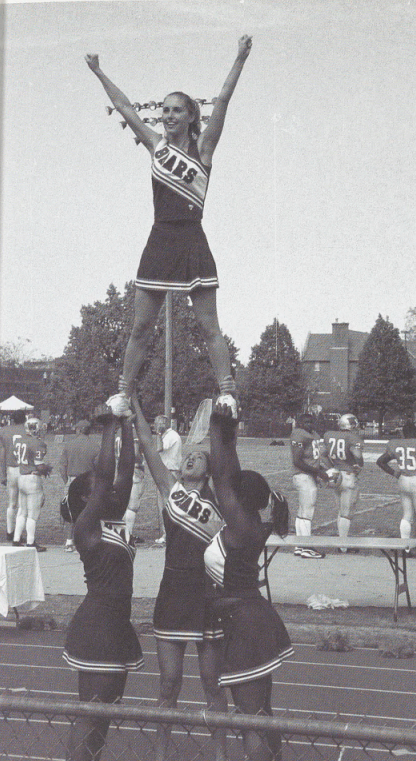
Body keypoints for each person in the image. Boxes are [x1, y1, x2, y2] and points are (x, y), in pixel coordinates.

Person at [84, 35, 252, 405]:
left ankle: (227, 392)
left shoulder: (204, 148)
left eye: (177, 110)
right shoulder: (155, 146)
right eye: (166, 110)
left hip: (192, 239)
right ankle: (124, 393)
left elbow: (222, 100)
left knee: (210, 327)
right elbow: (125, 106)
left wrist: (240, 57)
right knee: (140, 327)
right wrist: (99, 72)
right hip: (159, 239)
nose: (169, 116)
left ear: (191, 115)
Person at [129, 390, 227, 761]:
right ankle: (161, 753)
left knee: (211, 684)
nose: (189, 459)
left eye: (198, 457)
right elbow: (146, 444)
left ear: (210, 468)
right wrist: (137, 403)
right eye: (187, 455)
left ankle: (219, 753)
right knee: (168, 684)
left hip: (207, 596)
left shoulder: (220, 502)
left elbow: (229, 460)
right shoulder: (170, 492)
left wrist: (222, 424)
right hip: (171, 593)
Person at [205, 399, 293, 761]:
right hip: (253, 619)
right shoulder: (252, 523)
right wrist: (230, 433)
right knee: (261, 713)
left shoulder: (241, 526)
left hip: (243, 622)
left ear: (240, 499)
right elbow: (230, 473)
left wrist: (215, 426)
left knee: (251, 717)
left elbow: (221, 477)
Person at [62, 407, 143, 761]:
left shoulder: (114, 518)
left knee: (102, 725)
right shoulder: (87, 527)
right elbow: (108, 471)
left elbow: (124, 471)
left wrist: (126, 423)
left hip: (115, 628)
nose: (110, 490)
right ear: (85, 500)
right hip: (98, 631)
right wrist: (109, 427)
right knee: (90, 722)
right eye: (99, 489)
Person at [321, 414, 364, 553]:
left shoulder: (329, 435)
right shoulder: (353, 438)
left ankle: (341, 542)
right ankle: (343, 546)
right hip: (348, 476)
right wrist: (358, 465)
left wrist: (330, 468)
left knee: (341, 510)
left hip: (336, 476)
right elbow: (357, 455)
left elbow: (323, 454)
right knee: (346, 512)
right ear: (351, 425)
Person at [290, 413, 329, 559]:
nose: (309, 425)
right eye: (306, 422)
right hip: (303, 476)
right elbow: (297, 461)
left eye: (311, 422)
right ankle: (306, 547)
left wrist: (321, 471)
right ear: (299, 422)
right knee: (307, 513)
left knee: (302, 512)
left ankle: (300, 545)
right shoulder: (299, 434)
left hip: (308, 476)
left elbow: (315, 457)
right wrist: (318, 472)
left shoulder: (313, 434)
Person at [58, 419, 100, 552]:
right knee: (87, 512)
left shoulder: (69, 445)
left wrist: (67, 482)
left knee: (70, 512)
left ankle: (69, 542)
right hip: (88, 482)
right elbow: (98, 468)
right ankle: (84, 541)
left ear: (79, 430)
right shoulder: (95, 446)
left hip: (72, 479)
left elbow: (62, 466)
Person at [12, 417, 51, 552]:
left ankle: (16, 539)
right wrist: (47, 469)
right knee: (33, 514)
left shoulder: (18, 440)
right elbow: (39, 465)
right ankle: (30, 542)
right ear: (36, 428)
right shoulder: (37, 443)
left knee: (22, 511)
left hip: (21, 477)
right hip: (32, 479)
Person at [377, 421, 416, 554]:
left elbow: (380, 461)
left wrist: (394, 473)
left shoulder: (396, 444)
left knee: (407, 515)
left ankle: (405, 548)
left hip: (403, 480)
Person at [154, 414, 182, 545]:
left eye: (156, 423)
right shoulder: (169, 435)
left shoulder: (170, 436)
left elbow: (159, 448)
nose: (154, 426)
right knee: (167, 504)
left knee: (165, 505)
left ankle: (167, 534)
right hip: (169, 472)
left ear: (162, 424)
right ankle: (170, 533)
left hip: (169, 472)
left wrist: (158, 434)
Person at [115, 424, 146, 543]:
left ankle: (121, 533)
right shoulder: (132, 432)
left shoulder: (119, 431)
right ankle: (128, 535)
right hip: (134, 470)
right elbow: (136, 454)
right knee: (132, 506)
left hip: (122, 470)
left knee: (124, 504)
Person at [0, 410, 27, 541]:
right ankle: (17, 535)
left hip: (11, 469)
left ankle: (10, 531)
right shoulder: (27, 430)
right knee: (22, 505)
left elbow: (3, 454)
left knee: (11, 503)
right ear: (24, 419)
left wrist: (3, 473)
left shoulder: (4, 431)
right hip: (24, 469)